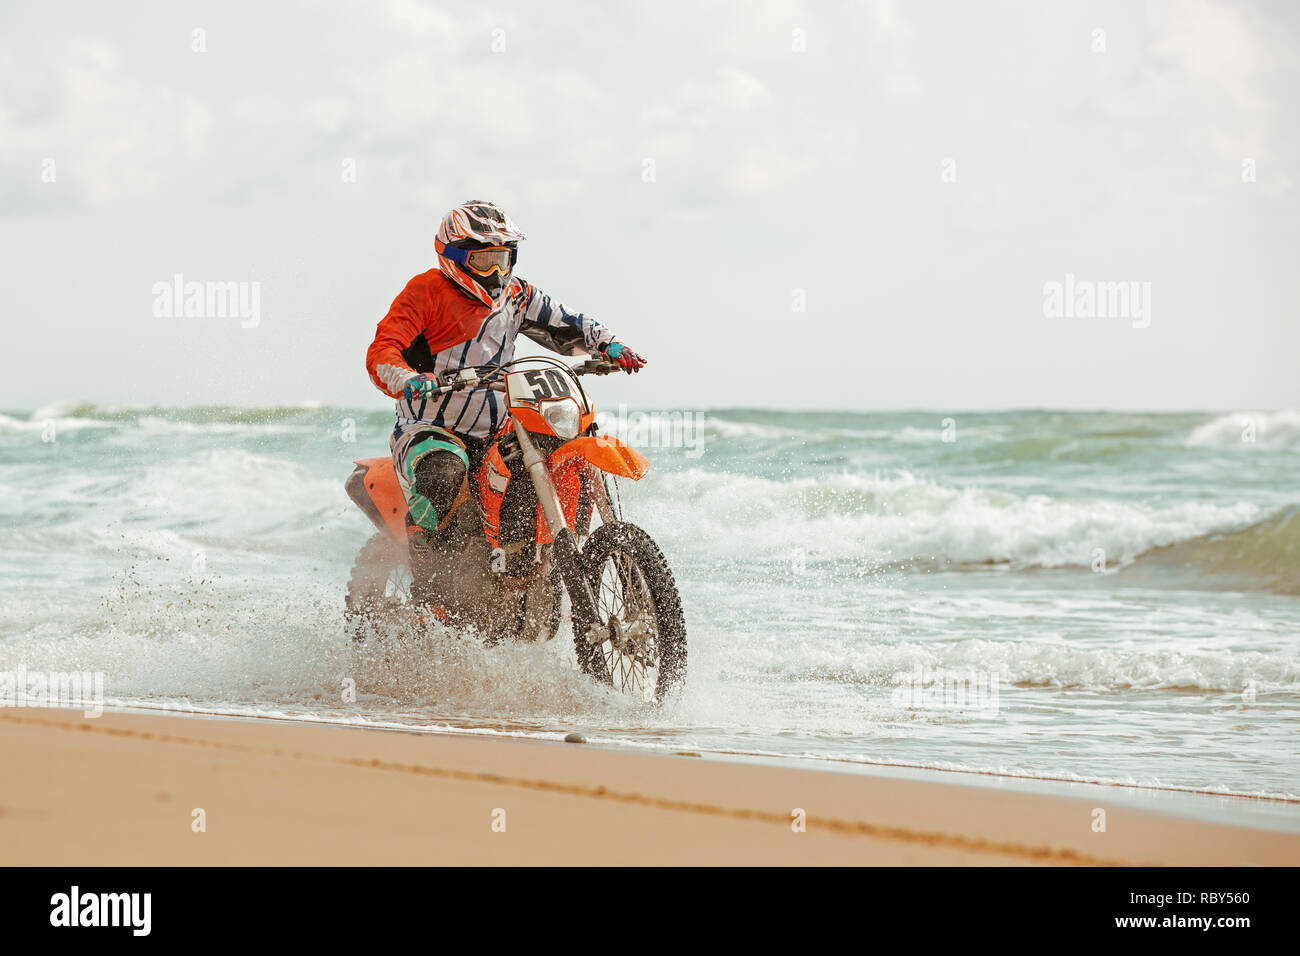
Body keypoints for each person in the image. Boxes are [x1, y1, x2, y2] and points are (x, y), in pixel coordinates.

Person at [365, 199, 645, 571]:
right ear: (454, 255)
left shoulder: (517, 296)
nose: (496, 271)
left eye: (503, 257)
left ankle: (527, 562)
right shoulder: (425, 293)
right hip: (430, 427)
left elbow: (567, 322)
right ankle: (426, 567)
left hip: (499, 426)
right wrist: (409, 379)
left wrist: (608, 343)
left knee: (553, 450)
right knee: (445, 470)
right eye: (484, 260)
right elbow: (383, 352)